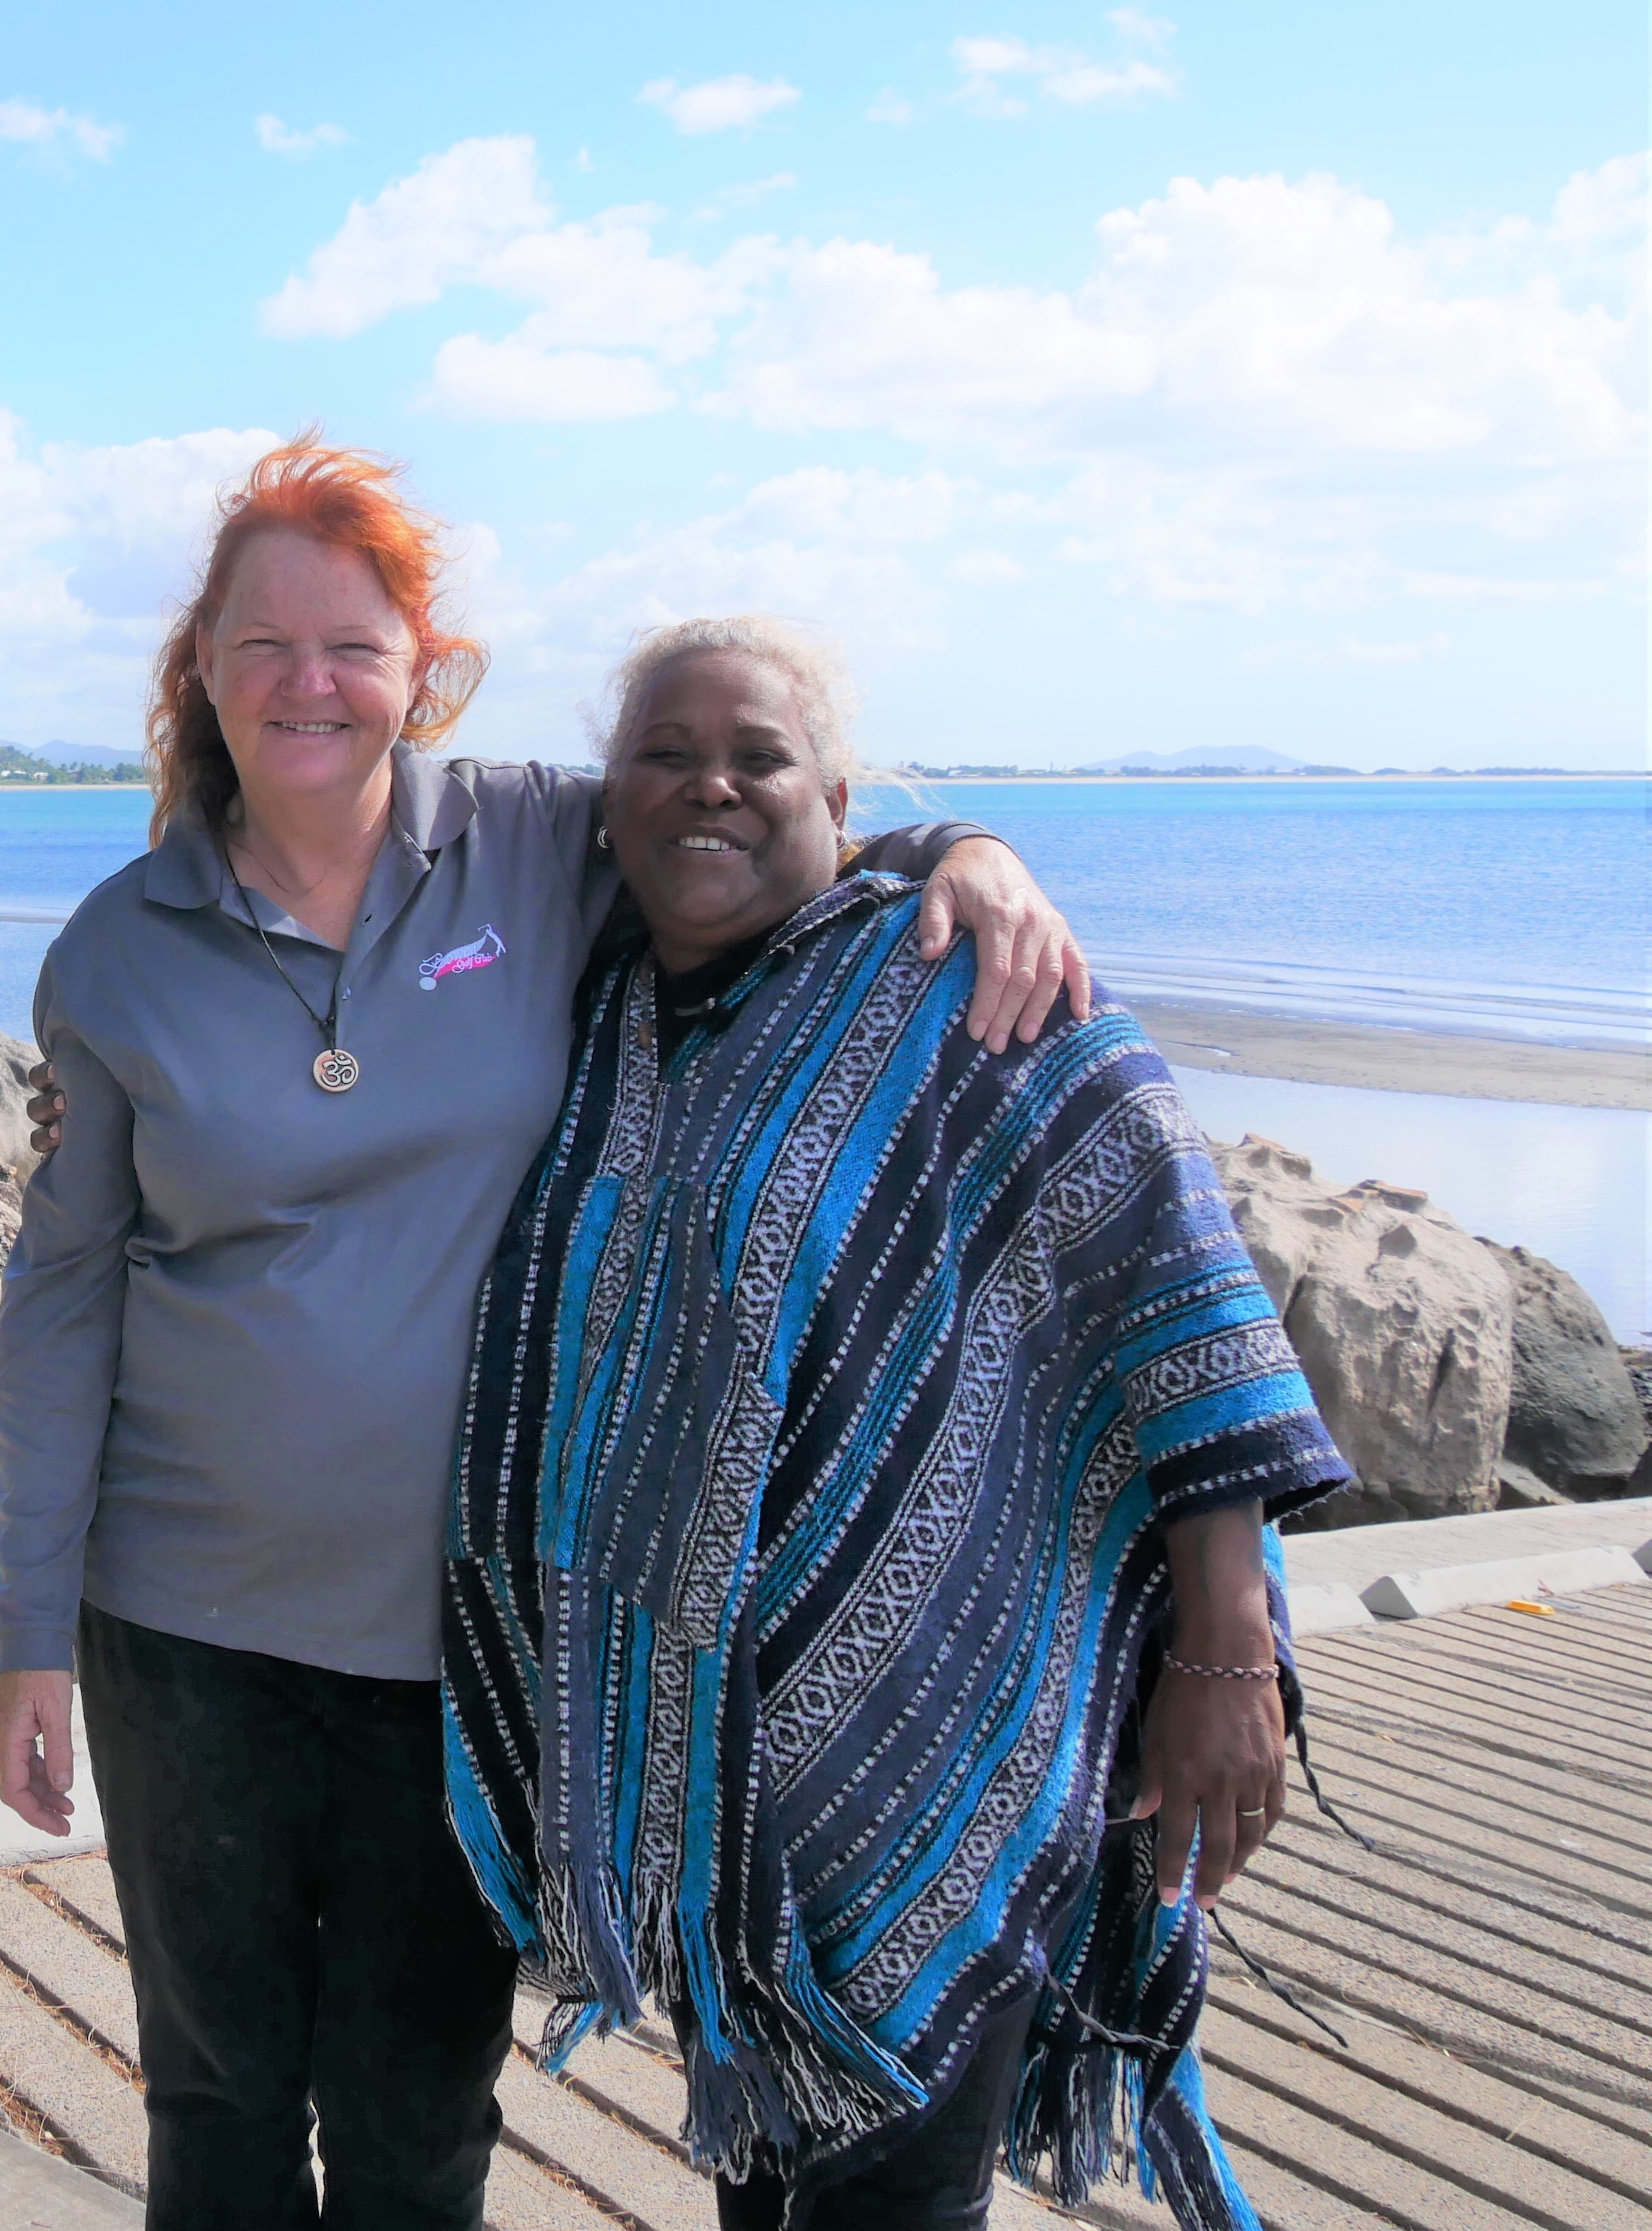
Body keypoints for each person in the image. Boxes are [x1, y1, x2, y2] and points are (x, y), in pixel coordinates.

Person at [0, 440, 1083, 2230]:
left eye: (352, 644)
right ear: (203, 667)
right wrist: (28, 1631)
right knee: (217, 2097)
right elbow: (61, 1297)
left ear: (422, 668)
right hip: (179, 1630)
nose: (309, 681)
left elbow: (748, 812)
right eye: (264, 643)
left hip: (469, 1628)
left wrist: (973, 849)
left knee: (418, 2117)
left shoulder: (528, 843)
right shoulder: (119, 946)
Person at [441, 616, 1350, 2231]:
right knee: (766, 2185)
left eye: (758, 757)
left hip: (947, 1721)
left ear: (839, 801)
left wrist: (1225, 1651)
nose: (709, 786)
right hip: (717, 1775)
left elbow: (1174, 1286)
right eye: (664, 754)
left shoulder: (961, 985)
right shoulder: (594, 1002)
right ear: (605, 796)